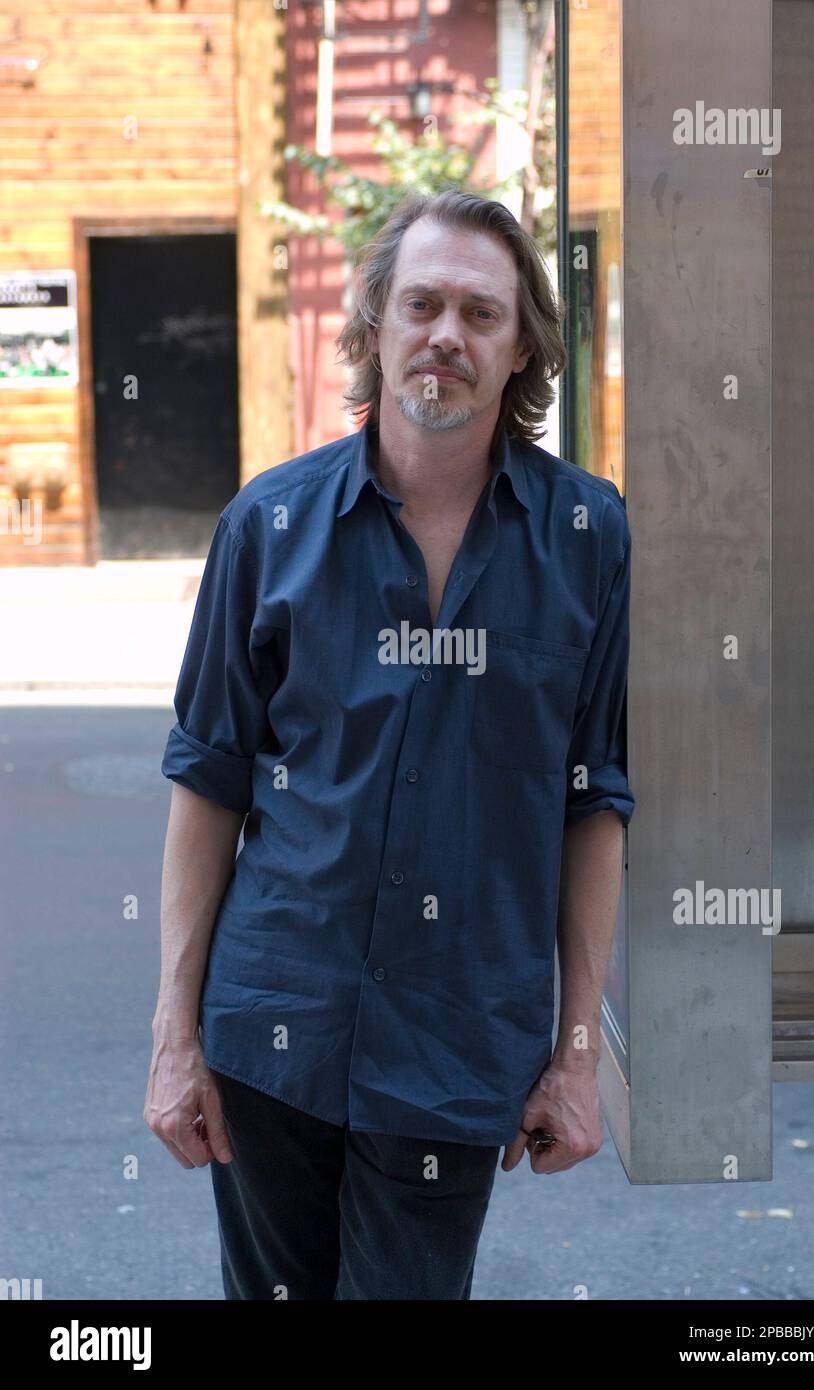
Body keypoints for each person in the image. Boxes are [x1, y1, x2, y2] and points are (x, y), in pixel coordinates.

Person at [144, 188, 635, 1301]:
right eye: (422, 304)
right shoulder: (267, 527)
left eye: (481, 313)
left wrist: (575, 1058)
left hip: (457, 1047)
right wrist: (174, 1038)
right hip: (277, 1028)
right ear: (375, 327)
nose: (447, 335)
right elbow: (207, 782)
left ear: (521, 351)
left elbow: (593, 799)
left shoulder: (585, 537)